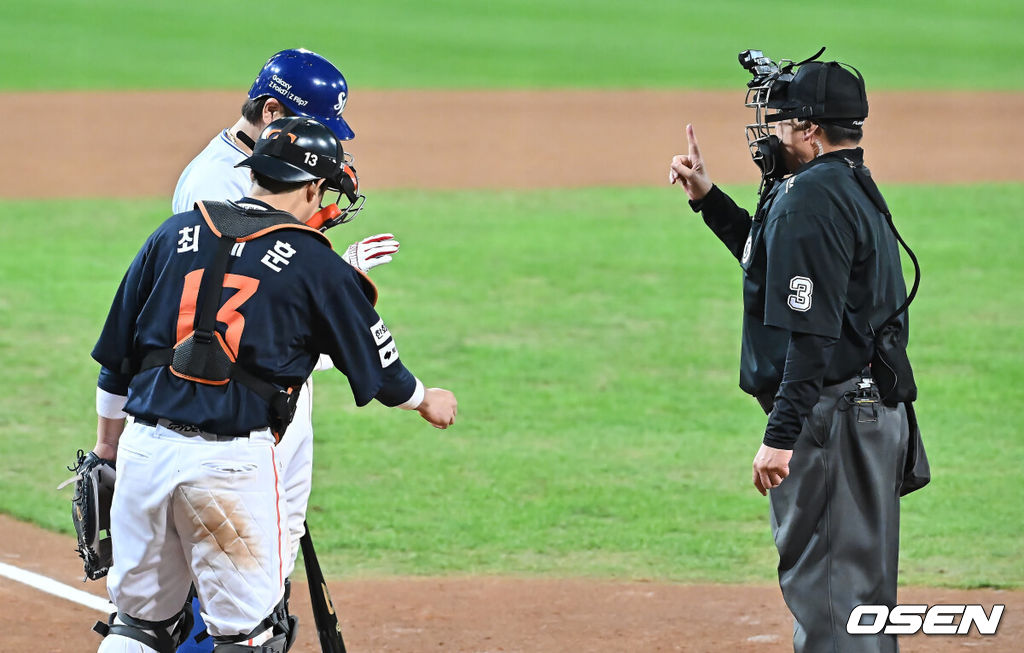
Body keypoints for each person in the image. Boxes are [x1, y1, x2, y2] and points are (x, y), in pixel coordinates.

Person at [90, 116, 458, 653]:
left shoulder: (172, 234)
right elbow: (381, 370)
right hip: (229, 468)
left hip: (144, 453)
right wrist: (427, 400)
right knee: (251, 637)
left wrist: (108, 450)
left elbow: (115, 362)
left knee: (138, 626)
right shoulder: (313, 260)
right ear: (312, 188)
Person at [670, 53, 914, 652]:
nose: (768, 133)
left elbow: (812, 335)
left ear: (809, 129)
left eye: (778, 121)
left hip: (831, 419)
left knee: (832, 600)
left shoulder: (812, 199)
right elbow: (776, 263)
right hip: (860, 412)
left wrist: (781, 434)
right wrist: (708, 198)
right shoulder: (844, 183)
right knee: (858, 600)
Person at [171, 48, 400, 652]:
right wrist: (331, 284)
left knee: (273, 552)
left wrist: (321, 262)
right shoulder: (214, 183)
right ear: (272, 110)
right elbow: (222, 312)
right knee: (232, 567)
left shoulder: (270, 168)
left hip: (277, 390)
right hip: (236, 402)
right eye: (316, 123)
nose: (323, 142)